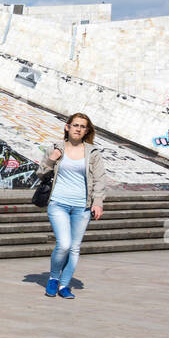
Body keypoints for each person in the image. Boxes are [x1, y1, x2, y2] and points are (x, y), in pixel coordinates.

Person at [36, 113, 108, 300]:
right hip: (58, 203)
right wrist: (52, 159)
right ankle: (53, 278)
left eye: (82, 126)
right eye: (75, 125)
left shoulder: (92, 153)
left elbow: (100, 180)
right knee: (64, 244)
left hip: (82, 206)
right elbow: (41, 173)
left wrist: (98, 203)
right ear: (67, 127)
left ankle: (64, 285)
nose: (78, 129)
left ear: (87, 130)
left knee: (74, 248)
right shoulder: (56, 148)